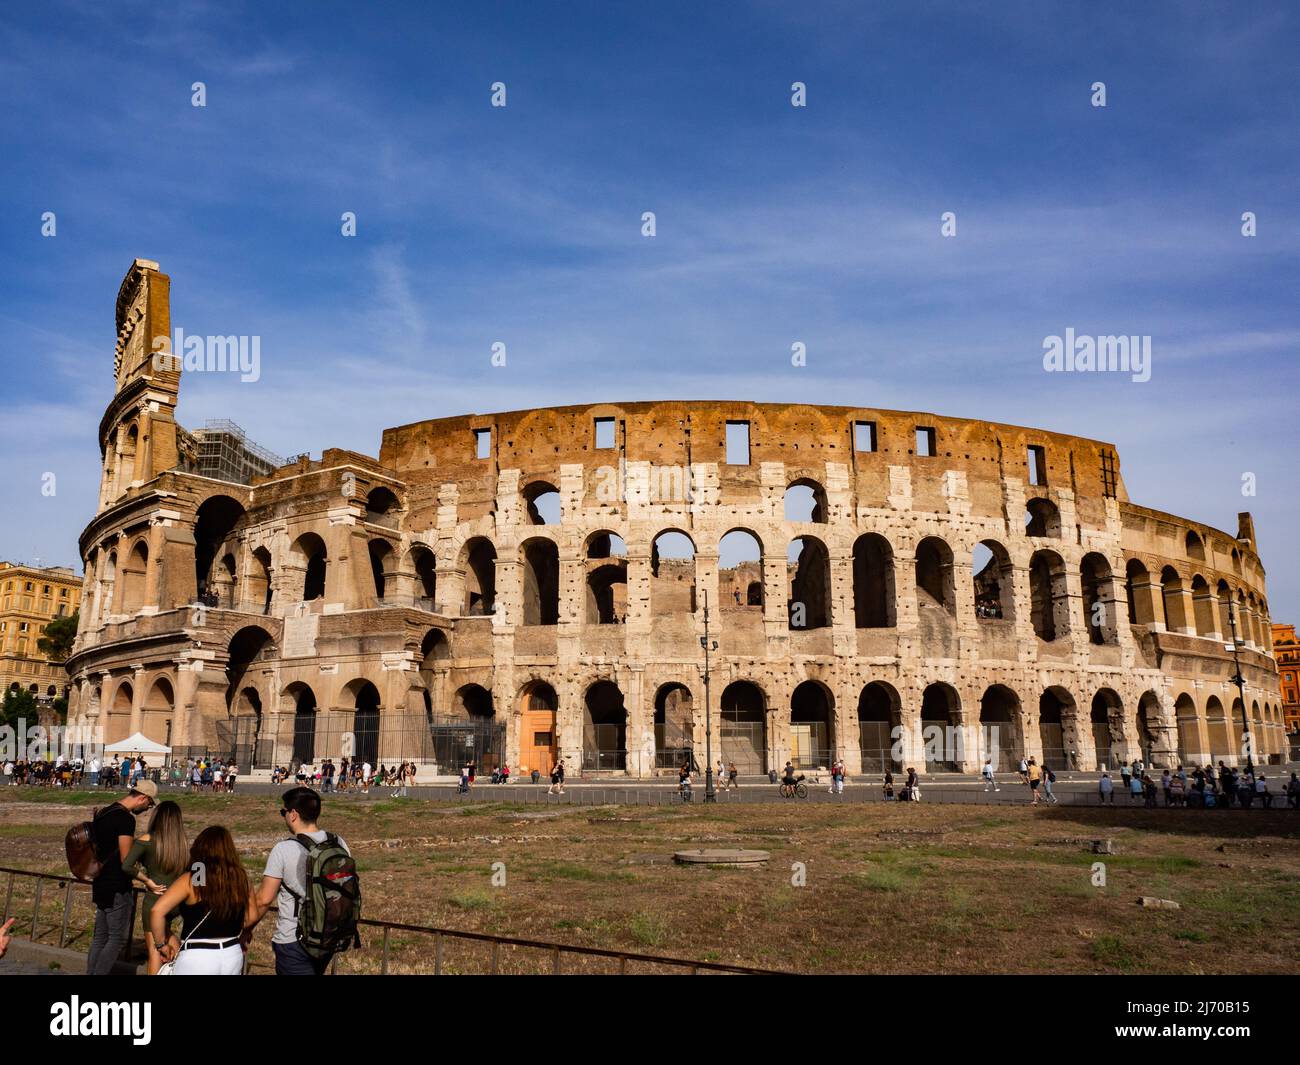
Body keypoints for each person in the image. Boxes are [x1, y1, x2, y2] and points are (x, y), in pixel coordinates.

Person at [250, 787, 351, 975]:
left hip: (294, 940)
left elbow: (263, 899)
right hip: (329, 936)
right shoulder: (338, 842)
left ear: (293, 814)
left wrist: (245, 929)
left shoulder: (283, 849)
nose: (284, 816)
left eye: (284, 812)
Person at [152, 826, 255, 975]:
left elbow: (157, 911)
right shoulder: (241, 879)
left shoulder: (195, 879)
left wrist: (161, 944)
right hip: (232, 953)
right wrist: (242, 932)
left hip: (198, 956)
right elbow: (252, 917)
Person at [87, 780, 157, 975]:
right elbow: (126, 861)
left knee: (100, 937)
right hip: (117, 885)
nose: (148, 809)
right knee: (116, 938)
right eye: (149, 804)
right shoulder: (125, 819)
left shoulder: (104, 812)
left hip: (99, 880)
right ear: (142, 798)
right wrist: (146, 879)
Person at [124, 799, 190, 975]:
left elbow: (126, 866)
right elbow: (196, 870)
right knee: (171, 942)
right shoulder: (182, 844)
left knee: (154, 951)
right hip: (176, 903)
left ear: (157, 817)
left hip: (155, 901)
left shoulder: (147, 839)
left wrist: (147, 881)